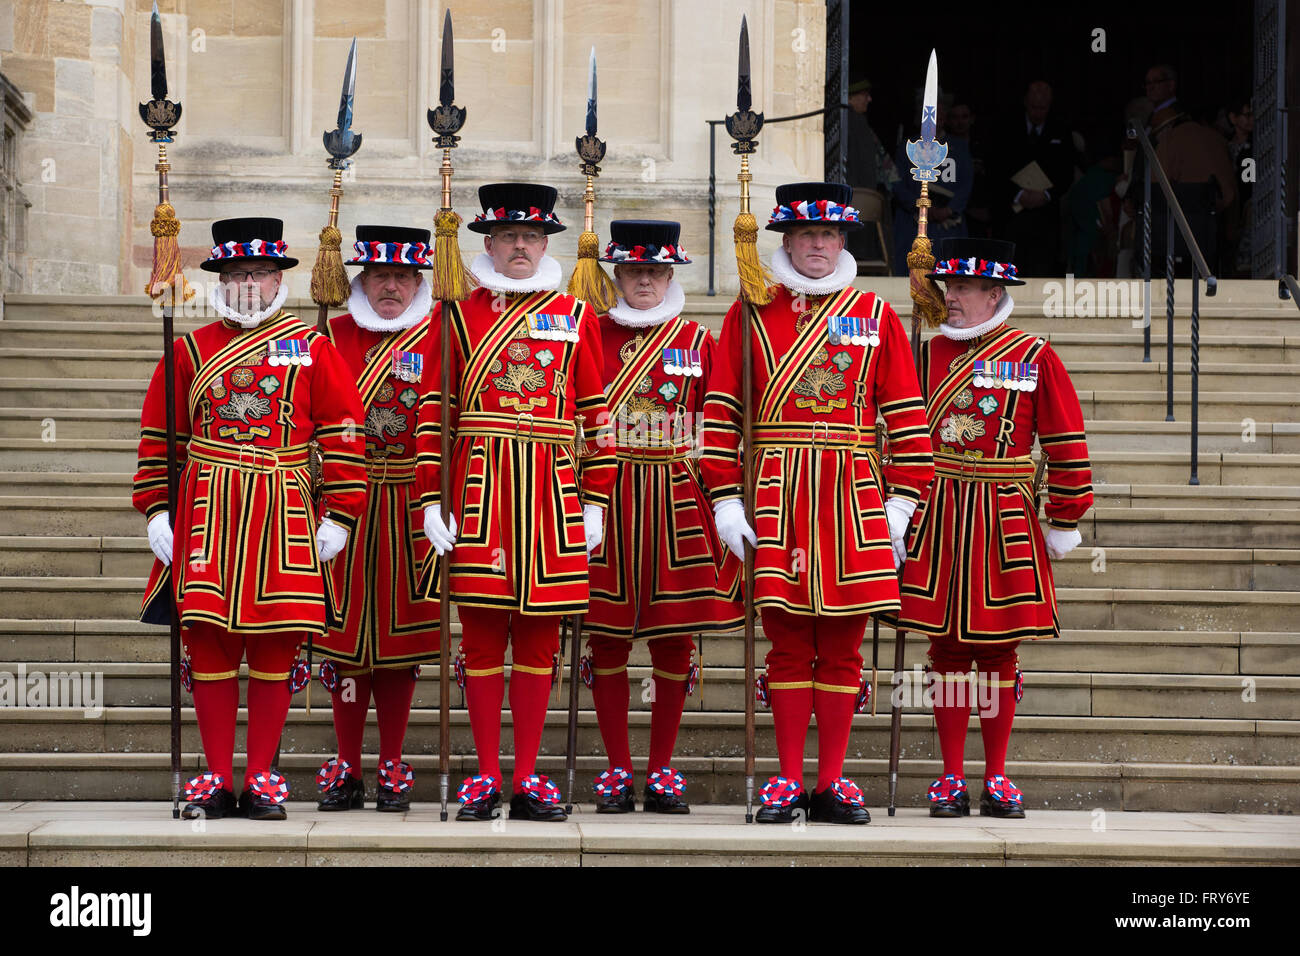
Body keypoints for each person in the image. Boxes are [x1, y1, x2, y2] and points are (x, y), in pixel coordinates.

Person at [700, 182, 934, 824]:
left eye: (829, 236)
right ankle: (785, 779)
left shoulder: (877, 314)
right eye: (806, 236)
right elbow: (721, 413)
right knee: (785, 643)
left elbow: (908, 417)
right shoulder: (750, 311)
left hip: (854, 496)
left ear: (842, 241)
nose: (818, 247)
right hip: (777, 494)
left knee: (842, 646)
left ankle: (831, 780)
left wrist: (902, 500)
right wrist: (724, 497)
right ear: (785, 241)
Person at [135, 217, 366, 820]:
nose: (249, 284)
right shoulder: (186, 349)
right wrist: (157, 509)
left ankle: (261, 775)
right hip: (208, 511)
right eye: (237, 273)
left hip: (286, 509)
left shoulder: (314, 349)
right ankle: (213, 778)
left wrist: (340, 511)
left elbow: (344, 431)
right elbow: (160, 437)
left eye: (261, 273)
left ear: (277, 280)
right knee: (208, 643)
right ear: (221, 279)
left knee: (274, 644)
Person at [415, 183, 616, 822]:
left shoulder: (575, 316)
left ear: (547, 243)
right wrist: (428, 499)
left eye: (532, 237)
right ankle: (484, 776)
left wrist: (598, 499)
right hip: (479, 495)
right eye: (509, 237)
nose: (522, 246)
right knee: (479, 641)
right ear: (489, 244)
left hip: (553, 496)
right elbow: (432, 412)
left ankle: (527, 776)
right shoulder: (453, 314)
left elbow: (599, 414)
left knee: (536, 643)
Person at [893, 237, 1092, 819]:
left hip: (1004, 513)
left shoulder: (1034, 354)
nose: (949, 298)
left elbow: (1065, 440)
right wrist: (891, 505)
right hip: (934, 510)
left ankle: (998, 776)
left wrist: (1065, 516)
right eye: (947, 286)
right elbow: (893, 436)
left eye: (962, 289)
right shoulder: (921, 354)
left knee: (999, 653)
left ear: (993, 294)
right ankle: (952, 777)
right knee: (947, 650)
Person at [583, 219, 742, 814]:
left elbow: (722, 422)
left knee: (676, 639)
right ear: (616, 274)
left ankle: (662, 769)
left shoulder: (700, 343)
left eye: (654, 270)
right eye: (632, 270)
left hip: (680, 498)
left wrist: (728, 496)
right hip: (607, 495)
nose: (644, 280)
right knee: (608, 638)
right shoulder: (586, 334)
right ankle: (619, 768)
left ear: (670, 273)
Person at [313, 224, 444, 812]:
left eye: (403, 276)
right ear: (361, 280)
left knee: (400, 643)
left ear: (419, 282)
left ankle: (391, 762)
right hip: (343, 505)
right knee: (342, 640)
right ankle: (346, 763)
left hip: (411, 506)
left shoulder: (443, 337)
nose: (391, 287)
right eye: (380, 276)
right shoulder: (327, 337)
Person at [991, 81, 1077, 277]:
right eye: (1034, 107)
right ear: (1025, 102)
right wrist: (1018, 194)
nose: (1038, 112)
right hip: (1011, 214)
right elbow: (995, 167)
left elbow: (1067, 172)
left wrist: (1046, 195)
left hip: (1045, 216)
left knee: (1042, 271)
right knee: (1009, 271)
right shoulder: (1006, 127)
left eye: (1043, 108)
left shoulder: (1061, 129)